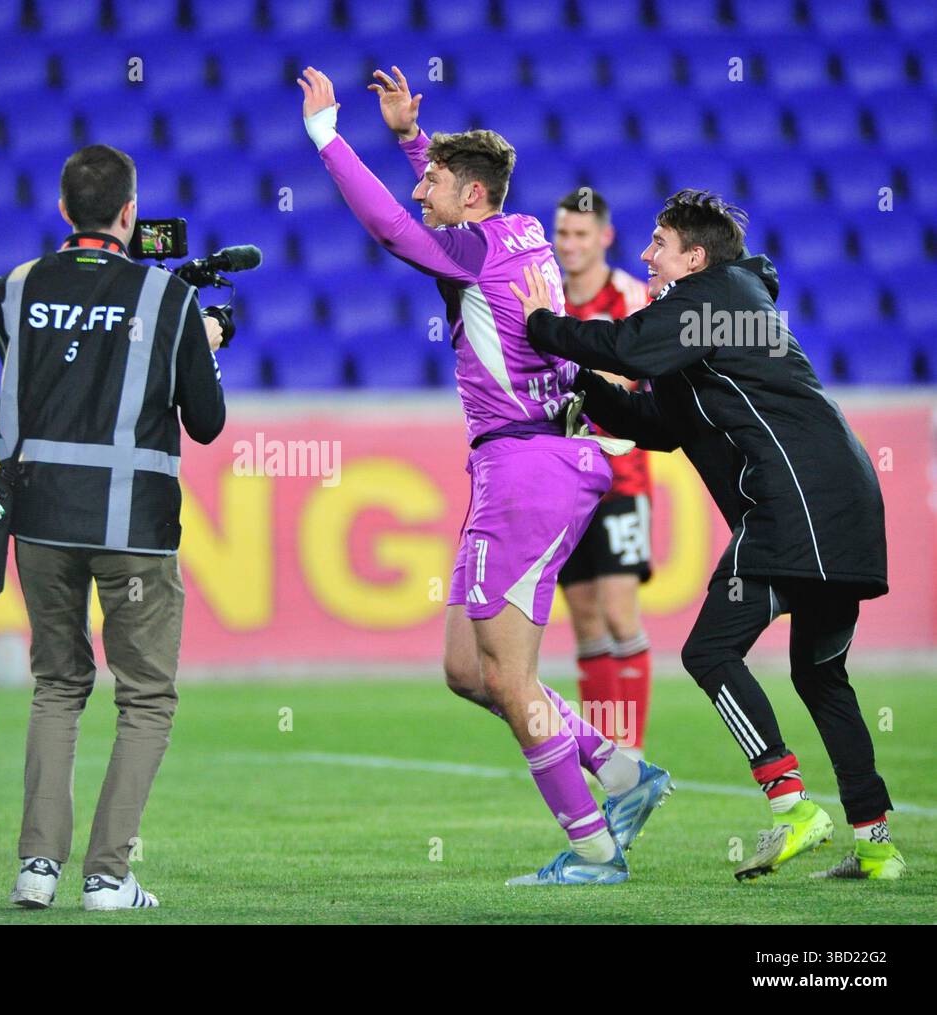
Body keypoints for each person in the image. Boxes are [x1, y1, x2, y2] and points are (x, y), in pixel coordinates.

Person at [299, 63, 673, 886]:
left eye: (433, 178)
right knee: (469, 669)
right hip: (522, 462)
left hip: (527, 464)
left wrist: (329, 137)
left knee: (507, 672)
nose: (423, 185)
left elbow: (395, 229)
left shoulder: (471, 249)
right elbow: (451, 200)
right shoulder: (524, 231)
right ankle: (619, 770)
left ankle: (592, 851)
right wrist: (408, 138)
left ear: (469, 196)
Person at [512, 189, 905, 880]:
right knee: (820, 674)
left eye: (657, 243)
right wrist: (579, 376)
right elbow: (657, 425)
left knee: (709, 651)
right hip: (837, 499)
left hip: (798, 504)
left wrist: (538, 325)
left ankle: (791, 806)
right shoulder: (720, 311)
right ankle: (875, 843)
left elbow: (626, 347)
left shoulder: (710, 299)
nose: (644, 255)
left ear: (692, 257)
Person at [0, 144, 229, 909]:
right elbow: (208, 422)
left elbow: (49, 369)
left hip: (41, 523)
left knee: (57, 685)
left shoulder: (11, 290)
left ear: (63, 211)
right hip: (134, 529)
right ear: (130, 213)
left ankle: (36, 868)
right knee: (146, 697)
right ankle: (107, 874)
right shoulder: (168, 300)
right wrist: (205, 344)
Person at [552, 190, 654, 760]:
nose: (570, 246)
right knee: (587, 620)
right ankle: (606, 755)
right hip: (564, 481)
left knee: (619, 612)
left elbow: (631, 381)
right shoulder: (546, 298)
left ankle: (633, 751)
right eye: (563, 235)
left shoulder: (632, 298)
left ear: (604, 239)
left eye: (581, 235)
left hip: (621, 478)